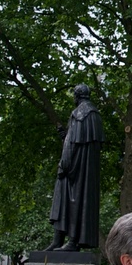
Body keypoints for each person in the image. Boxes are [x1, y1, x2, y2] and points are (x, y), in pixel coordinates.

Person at [48, 84, 105, 250]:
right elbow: (82, 142)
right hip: (87, 172)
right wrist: (65, 136)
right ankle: (62, 241)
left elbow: (71, 145)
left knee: (65, 199)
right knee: (82, 202)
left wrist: (63, 166)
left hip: (73, 171)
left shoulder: (78, 114)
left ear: (77, 96)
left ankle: (67, 241)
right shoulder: (95, 114)